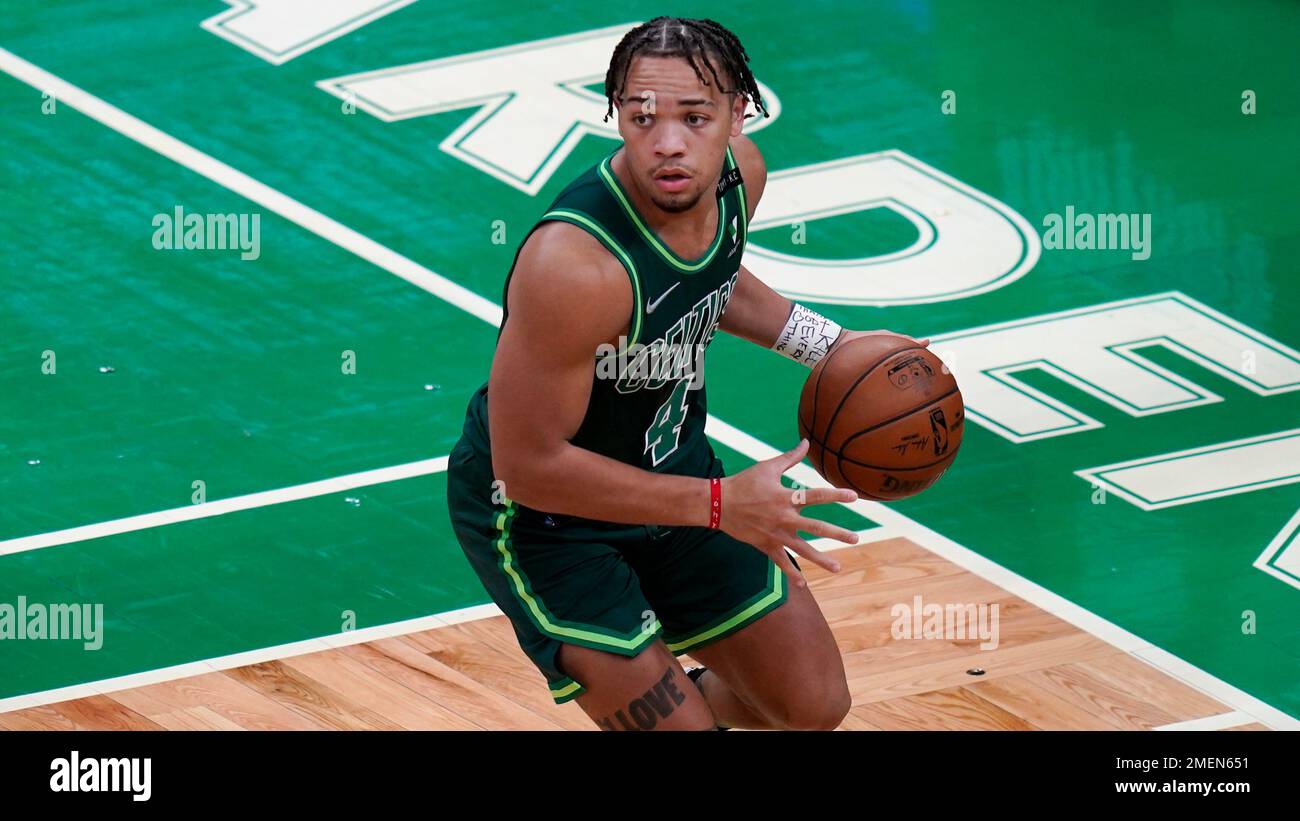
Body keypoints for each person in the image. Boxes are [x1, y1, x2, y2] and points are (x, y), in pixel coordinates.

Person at [446, 16, 926, 730]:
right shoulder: (573, 268)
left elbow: (710, 279)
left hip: (675, 478)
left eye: (695, 117)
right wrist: (718, 505)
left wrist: (833, 344)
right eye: (643, 117)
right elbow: (527, 465)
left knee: (814, 703)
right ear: (616, 114)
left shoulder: (740, 179)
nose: (668, 142)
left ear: (739, 115)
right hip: (548, 520)